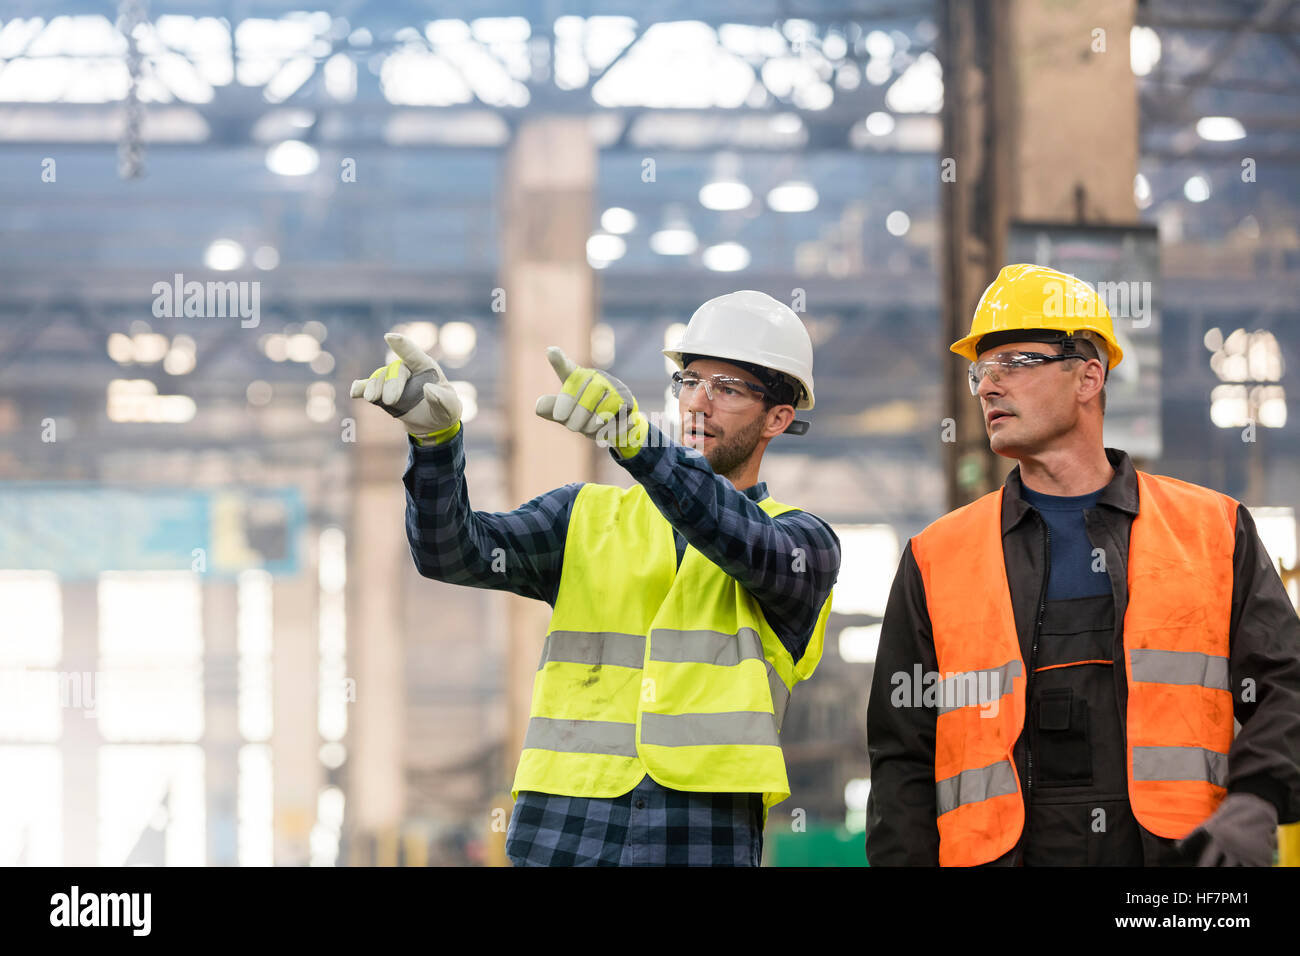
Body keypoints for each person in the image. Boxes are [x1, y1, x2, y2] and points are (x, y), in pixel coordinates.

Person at [352, 290, 839, 866]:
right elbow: (450, 552)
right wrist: (435, 446)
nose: (697, 404)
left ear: (778, 418)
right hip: (562, 830)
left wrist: (637, 442)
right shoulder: (583, 517)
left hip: (698, 835)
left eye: (727, 388)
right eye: (689, 381)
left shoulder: (802, 544)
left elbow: (733, 534)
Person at [865, 263, 1300, 866]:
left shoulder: (1212, 529)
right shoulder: (937, 556)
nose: (989, 386)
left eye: (1014, 363)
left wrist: (1256, 800)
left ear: (1089, 376)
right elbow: (902, 758)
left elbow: (1285, 685)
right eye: (981, 371)